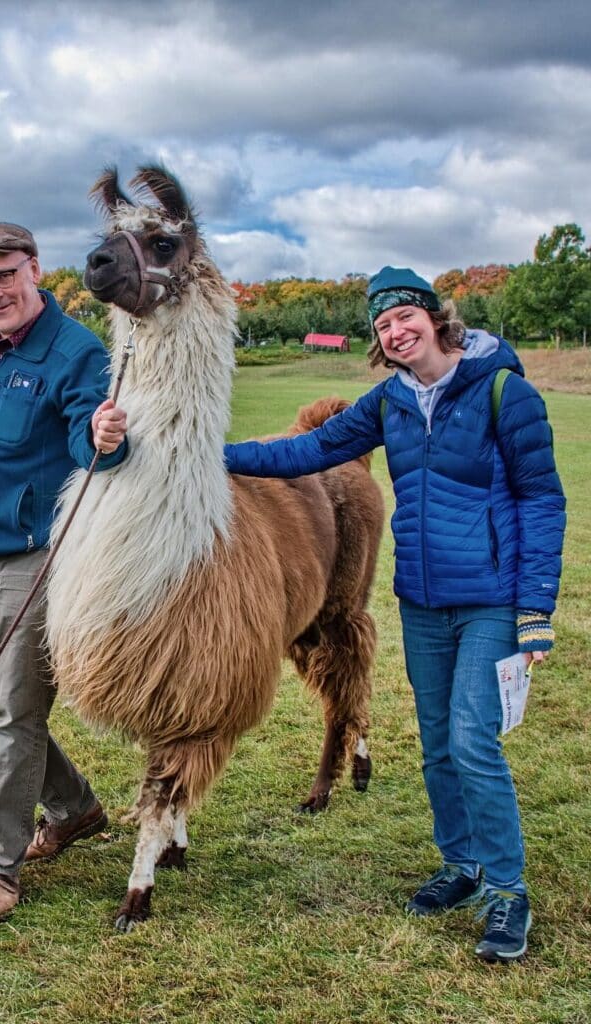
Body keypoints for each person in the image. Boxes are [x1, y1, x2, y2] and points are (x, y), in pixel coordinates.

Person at [224, 267, 565, 963]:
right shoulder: (391, 403)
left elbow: (542, 500)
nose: (395, 330)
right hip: (424, 598)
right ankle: (461, 867)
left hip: (493, 597)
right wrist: (208, 453)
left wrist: (535, 607)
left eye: (405, 316)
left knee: (473, 740)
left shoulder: (505, 391)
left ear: (437, 318)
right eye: (382, 325)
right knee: (438, 741)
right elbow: (309, 449)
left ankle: (507, 891)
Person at [0, 222, 128, 923]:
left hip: (34, 556)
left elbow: (90, 443)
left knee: (18, 710)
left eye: (3, 276)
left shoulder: (75, 352)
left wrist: (105, 436)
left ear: (34, 269)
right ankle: (75, 807)